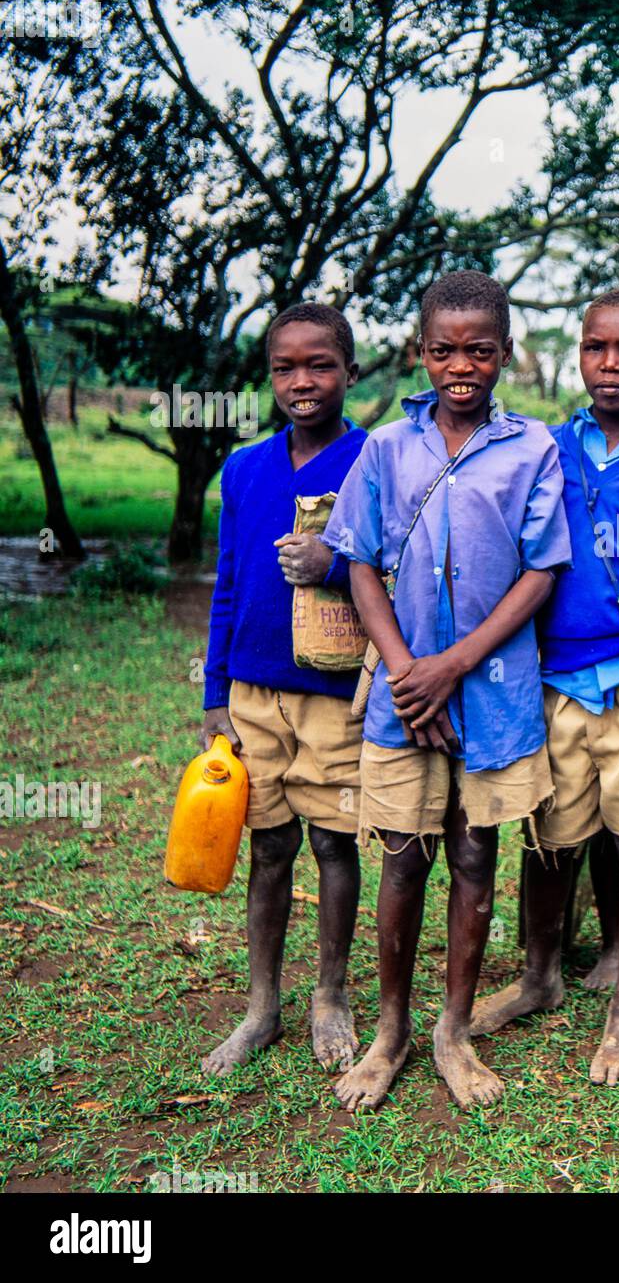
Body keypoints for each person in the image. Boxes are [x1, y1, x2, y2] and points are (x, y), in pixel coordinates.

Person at [322, 269, 569, 1111]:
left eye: (479, 351)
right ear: (419, 353)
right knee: (402, 856)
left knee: (474, 854)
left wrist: (454, 663)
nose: (460, 366)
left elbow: (541, 573)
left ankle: (452, 1030)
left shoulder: (532, 448)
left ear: (506, 354)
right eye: (442, 350)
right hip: (404, 694)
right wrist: (405, 668)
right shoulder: (387, 449)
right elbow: (354, 560)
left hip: (492, 693)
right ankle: (390, 1032)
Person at [471, 287, 619, 1084]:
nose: (612, 363)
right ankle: (539, 975)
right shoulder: (546, 448)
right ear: (578, 353)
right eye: (597, 347)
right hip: (553, 679)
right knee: (548, 841)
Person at [199, 302, 365, 1076]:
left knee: (333, 842)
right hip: (253, 692)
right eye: (285, 368)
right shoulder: (245, 470)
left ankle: (330, 993)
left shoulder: (376, 460)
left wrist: (331, 563)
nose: (303, 381)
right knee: (269, 847)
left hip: (334, 694)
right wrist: (214, 691)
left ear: (350, 372)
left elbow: (391, 569)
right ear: (269, 377)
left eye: (320, 365)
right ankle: (261, 1005)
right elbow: (228, 582)